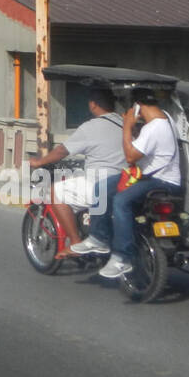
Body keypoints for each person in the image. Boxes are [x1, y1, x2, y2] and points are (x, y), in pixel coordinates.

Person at [28, 87, 124, 256]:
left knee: (54, 192)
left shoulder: (90, 127)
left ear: (93, 105)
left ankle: (75, 243)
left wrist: (40, 162)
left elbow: (61, 151)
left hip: (99, 184)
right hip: (124, 183)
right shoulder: (124, 123)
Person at [98, 90, 184, 279]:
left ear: (137, 106)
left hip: (160, 181)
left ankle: (121, 256)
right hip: (165, 180)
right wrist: (136, 128)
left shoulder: (153, 128)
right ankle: (104, 238)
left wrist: (127, 126)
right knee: (106, 188)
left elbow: (130, 157)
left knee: (120, 201)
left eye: (131, 107)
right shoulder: (166, 118)